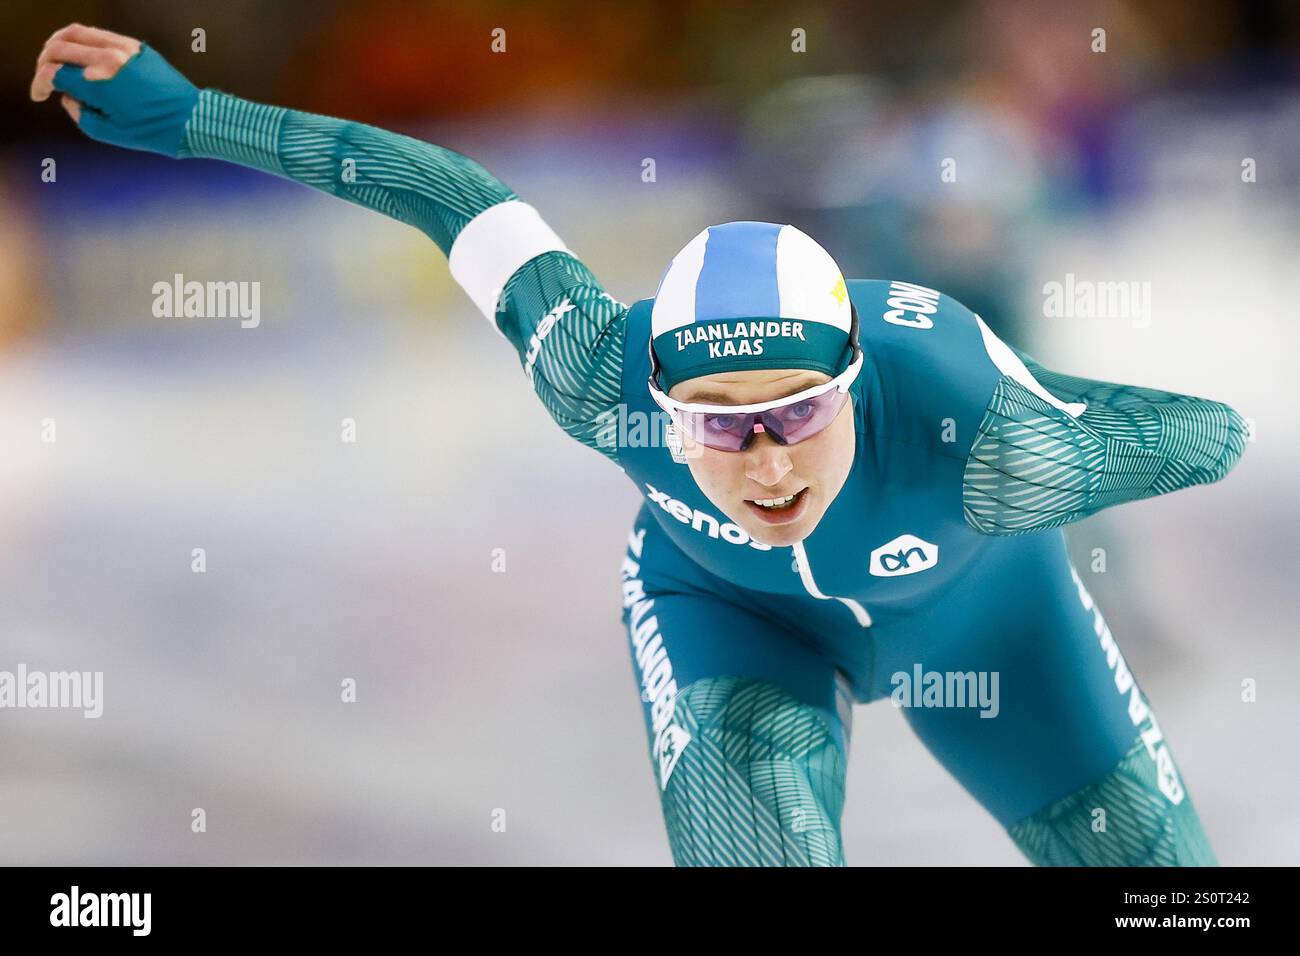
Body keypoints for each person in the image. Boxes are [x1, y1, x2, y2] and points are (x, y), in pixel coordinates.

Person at [31, 25, 1248, 866]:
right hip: (734, 617)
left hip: (992, 617)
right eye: (717, 423)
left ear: (860, 382)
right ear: (656, 400)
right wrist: (195, 115)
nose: (766, 461)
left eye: (799, 411)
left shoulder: (964, 408)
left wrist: (1077, 448)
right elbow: (443, 190)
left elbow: (1206, 427)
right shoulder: (591, 367)